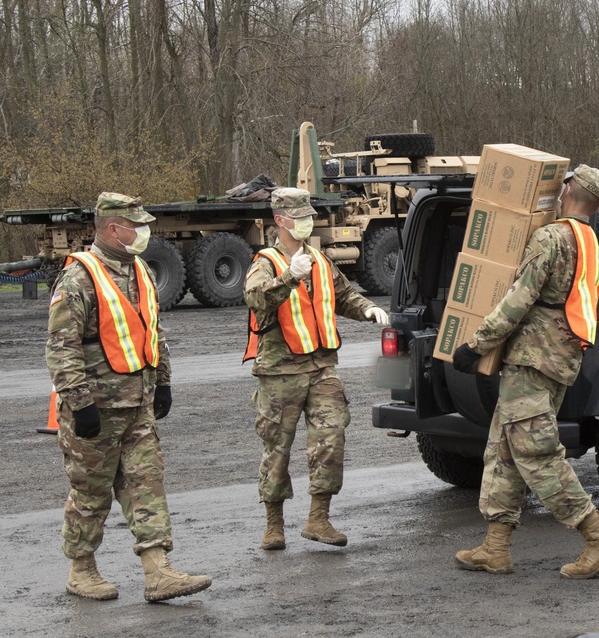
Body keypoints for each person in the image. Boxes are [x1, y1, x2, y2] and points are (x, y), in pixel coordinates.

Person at [450, 165, 599, 579]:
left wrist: (476, 345)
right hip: (558, 358)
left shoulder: (551, 237)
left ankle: (598, 537)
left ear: (567, 191)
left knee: (537, 454)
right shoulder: (589, 241)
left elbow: (518, 300)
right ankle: (495, 548)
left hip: (534, 359)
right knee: (505, 449)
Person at [46, 192, 212, 602]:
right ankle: (81, 570)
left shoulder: (138, 270)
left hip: (137, 405)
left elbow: (153, 332)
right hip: (96, 409)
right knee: (92, 492)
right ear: (114, 229)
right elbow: (61, 348)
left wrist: (164, 381)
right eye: (137, 226)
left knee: (146, 484)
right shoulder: (79, 278)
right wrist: (80, 403)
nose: (144, 233)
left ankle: (158, 572)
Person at [243, 187, 389, 551]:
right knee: (277, 447)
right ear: (280, 220)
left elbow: (343, 295)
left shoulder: (320, 260)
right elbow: (256, 298)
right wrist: (289, 277)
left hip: (322, 366)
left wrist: (367, 308)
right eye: (299, 215)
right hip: (280, 371)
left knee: (330, 437)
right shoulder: (267, 261)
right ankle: (273, 524)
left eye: (309, 214)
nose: (307, 221)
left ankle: (318, 517)